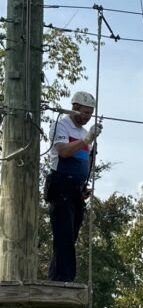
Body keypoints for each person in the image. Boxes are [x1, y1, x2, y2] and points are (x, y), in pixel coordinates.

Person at [46, 91, 103, 282]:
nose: (88, 118)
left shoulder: (84, 133)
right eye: (85, 113)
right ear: (75, 108)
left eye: (91, 114)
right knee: (64, 235)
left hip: (76, 189)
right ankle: (64, 280)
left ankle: (57, 278)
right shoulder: (61, 125)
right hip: (61, 183)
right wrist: (86, 140)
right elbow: (63, 152)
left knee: (71, 235)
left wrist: (84, 183)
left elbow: (86, 161)